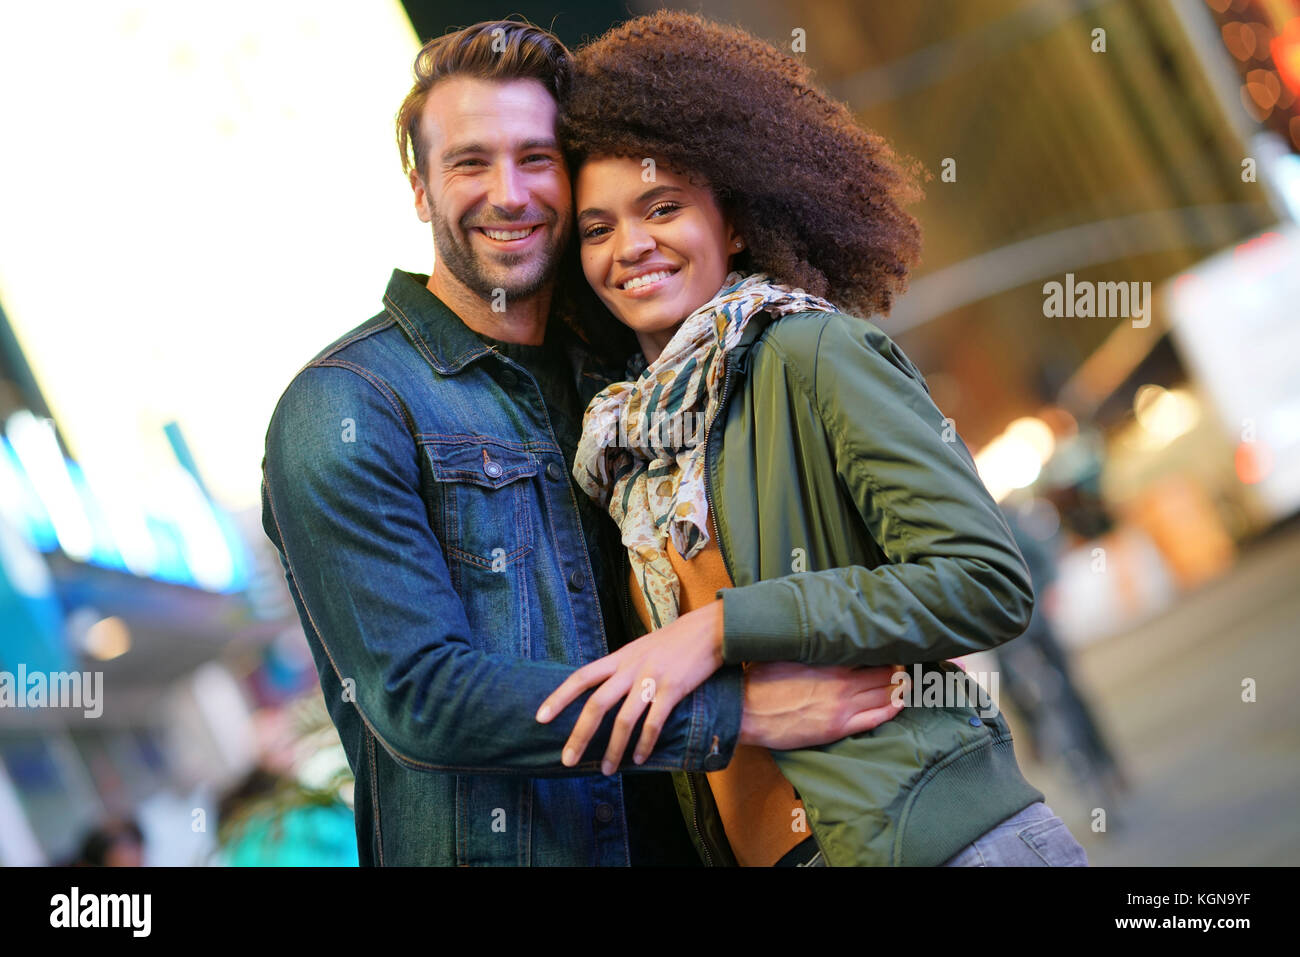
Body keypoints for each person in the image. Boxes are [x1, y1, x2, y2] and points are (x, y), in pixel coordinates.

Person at [260, 19, 904, 866]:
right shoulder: (347, 404)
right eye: (470, 162)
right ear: (420, 190)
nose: (510, 192)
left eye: (536, 158)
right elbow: (421, 696)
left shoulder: (620, 375)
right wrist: (736, 713)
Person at [537, 10, 1088, 866]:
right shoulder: (622, 451)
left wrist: (722, 628)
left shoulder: (811, 352)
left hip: (939, 845)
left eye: (663, 206)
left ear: (739, 220)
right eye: (599, 227)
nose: (631, 245)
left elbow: (985, 581)